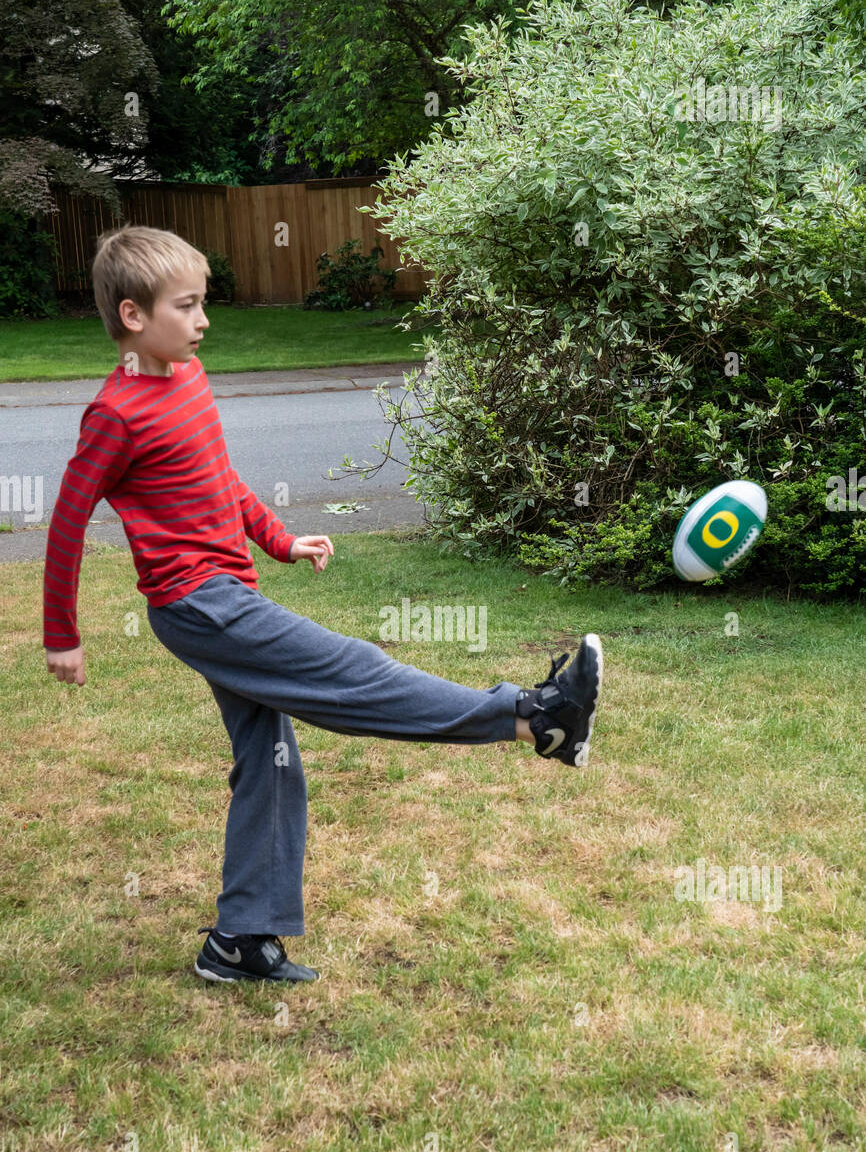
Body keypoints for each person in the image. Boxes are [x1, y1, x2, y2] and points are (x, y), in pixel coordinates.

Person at [43, 225, 603, 985]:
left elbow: (219, 478)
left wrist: (279, 541)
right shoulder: (115, 414)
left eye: (203, 303)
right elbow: (68, 518)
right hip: (198, 605)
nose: (203, 320)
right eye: (187, 305)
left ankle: (239, 940)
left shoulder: (188, 377)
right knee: (352, 671)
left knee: (269, 760)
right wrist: (62, 634)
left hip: (228, 590)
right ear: (134, 316)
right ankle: (535, 717)